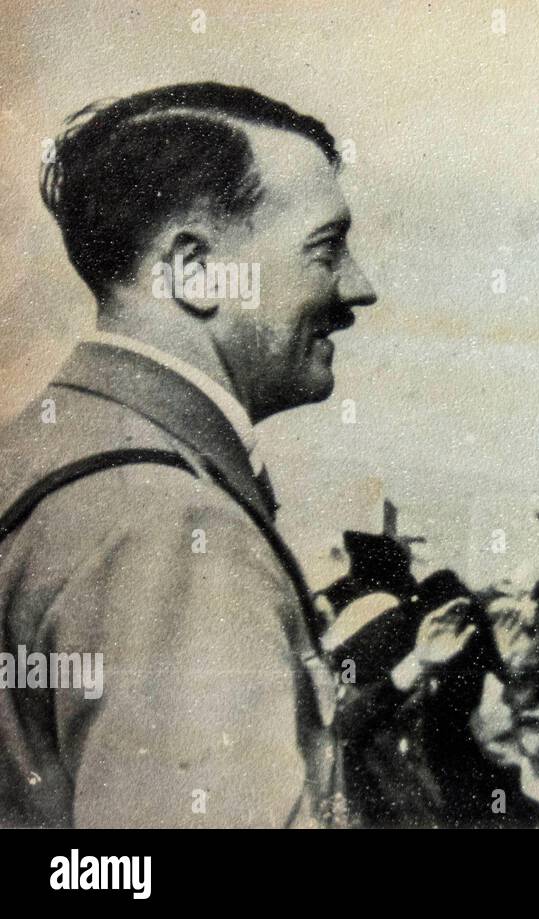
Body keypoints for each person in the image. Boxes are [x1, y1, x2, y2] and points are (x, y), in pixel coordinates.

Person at [0, 83, 377, 827]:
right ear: (195, 268)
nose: (360, 288)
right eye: (326, 249)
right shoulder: (173, 529)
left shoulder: (44, 453)